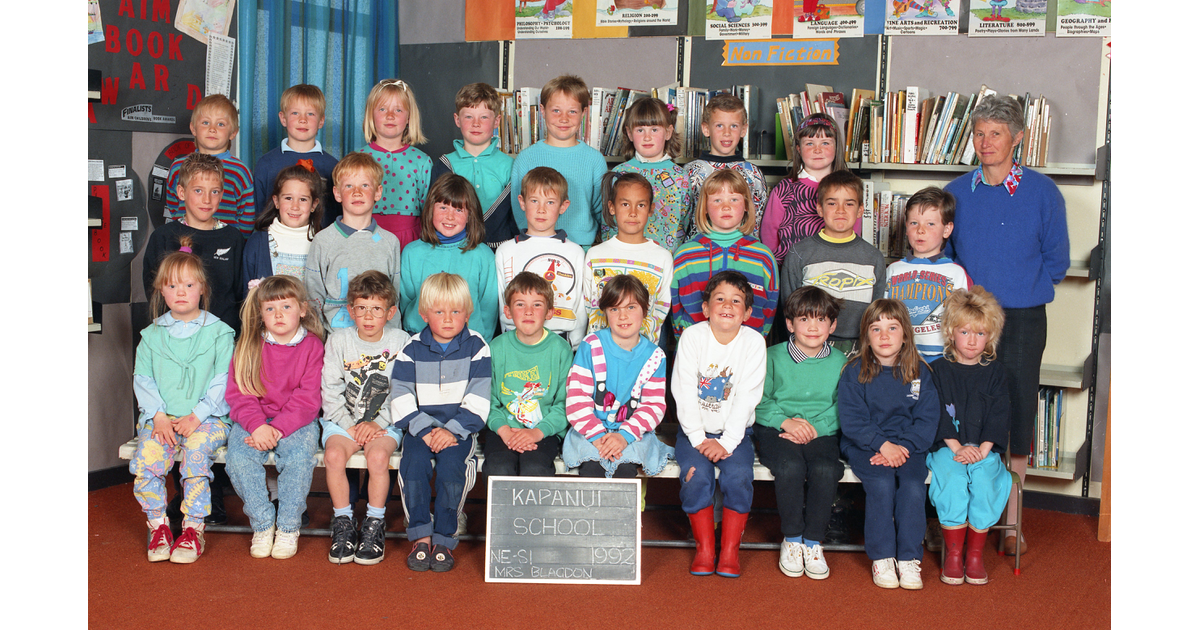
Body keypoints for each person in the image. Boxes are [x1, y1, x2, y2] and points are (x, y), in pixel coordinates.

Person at [944, 94, 1069, 556]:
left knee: (1015, 412)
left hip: (1020, 317)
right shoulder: (958, 191)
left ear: (1017, 138)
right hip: (967, 316)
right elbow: (949, 259)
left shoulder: (1043, 193)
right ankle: (967, 511)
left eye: (996, 133)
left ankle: (1011, 520)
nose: (985, 141)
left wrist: (1015, 292)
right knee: (964, 407)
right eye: (979, 133)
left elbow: (1055, 263)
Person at [131, 243, 234, 564]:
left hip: (209, 419)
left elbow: (223, 380)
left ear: (201, 289)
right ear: (162, 290)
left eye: (189, 285)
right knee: (147, 457)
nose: (180, 292)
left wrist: (197, 415)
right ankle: (158, 525)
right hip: (161, 418)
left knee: (195, 454)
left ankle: (193, 528)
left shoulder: (219, 332)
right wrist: (158, 416)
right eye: (172, 285)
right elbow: (143, 379)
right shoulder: (152, 335)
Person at [390, 273, 491, 573]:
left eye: (456, 312)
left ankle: (444, 538)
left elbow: (479, 398)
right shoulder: (411, 349)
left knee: (451, 473)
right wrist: (425, 429)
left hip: (459, 431)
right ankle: (420, 535)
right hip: (421, 430)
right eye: (439, 312)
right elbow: (401, 397)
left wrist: (452, 431)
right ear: (424, 314)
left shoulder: (478, 347)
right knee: (414, 469)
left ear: (468, 313)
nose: (448, 319)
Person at [838, 299, 939, 590]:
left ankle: (908, 558)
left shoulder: (920, 372)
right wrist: (882, 445)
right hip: (865, 445)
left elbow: (927, 420)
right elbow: (853, 421)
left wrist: (902, 447)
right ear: (866, 336)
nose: (884, 336)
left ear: (906, 334)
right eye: (876, 329)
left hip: (909, 447)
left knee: (911, 486)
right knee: (881, 484)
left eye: (892, 328)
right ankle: (882, 557)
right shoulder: (854, 372)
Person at [672, 271, 767, 578]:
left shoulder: (754, 343)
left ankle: (729, 550)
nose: (728, 305)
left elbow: (746, 398)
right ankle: (705, 548)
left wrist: (726, 443)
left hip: (734, 434)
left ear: (748, 312)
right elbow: (684, 391)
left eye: (737, 301)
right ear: (705, 308)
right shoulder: (692, 337)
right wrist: (699, 439)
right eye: (720, 299)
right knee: (696, 475)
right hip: (694, 432)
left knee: (739, 476)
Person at [224, 275, 326, 560]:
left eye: (286, 307)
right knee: (239, 459)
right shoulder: (248, 344)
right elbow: (239, 394)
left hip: (296, 422)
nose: (278, 314)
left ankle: (288, 527)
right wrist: (257, 427)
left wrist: (278, 429)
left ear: (302, 309)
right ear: (260, 313)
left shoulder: (312, 346)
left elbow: (308, 399)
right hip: (254, 422)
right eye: (270, 309)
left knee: (297, 459)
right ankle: (263, 523)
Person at [753, 286, 846, 579]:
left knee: (825, 469)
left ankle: (813, 541)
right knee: (790, 466)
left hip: (822, 431)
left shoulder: (841, 361)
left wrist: (815, 428)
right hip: (776, 428)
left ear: (833, 325)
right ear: (790, 324)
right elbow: (757, 400)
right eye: (805, 320)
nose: (813, 327)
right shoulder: (770, 357)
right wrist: (786, 422)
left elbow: (842, 406)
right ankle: (792, 539)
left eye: (821, 320)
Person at [320, 270, 410, 565]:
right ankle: (343, 522)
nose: (368, 317)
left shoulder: (401, 340)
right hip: (344, 420)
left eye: (376, 309)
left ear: (390, 312)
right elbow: (330, 390)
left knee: (378, 459)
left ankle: (374, 522)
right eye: (361, 308)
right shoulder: (338, 340)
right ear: (351, 310)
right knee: (333, 455)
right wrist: (349, 425)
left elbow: (404, 391)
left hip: (385, 421)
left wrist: (378, 423)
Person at [927, 286, 1012, 586]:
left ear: (990, 336)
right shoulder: (937, 370)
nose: (972, 341)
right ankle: (953, 554)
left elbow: (1000, 414)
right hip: (947, 447)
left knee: (987, 481)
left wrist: (985, 448)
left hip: (984, 449)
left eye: (980, 333)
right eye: (965, 332)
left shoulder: (996, 373)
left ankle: (974, 555)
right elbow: (934, 411)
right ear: (951, 333)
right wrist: (956, 446)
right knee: (952, 480)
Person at [563, 275, 672, 479]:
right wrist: (598, 437)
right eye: (615, 309)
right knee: (592, 469)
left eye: (631, 307)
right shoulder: (591, 346)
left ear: (645, 310)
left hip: (632, 433)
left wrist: (624, 436)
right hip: (590, 430)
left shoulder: (655, 356)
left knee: (625, 470)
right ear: (605, 313)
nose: (623, 316)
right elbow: (577, 399)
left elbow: (653, 406)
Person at [780, 169, 885, 353]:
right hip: (810, 345)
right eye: (832, 203)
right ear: (819, 208)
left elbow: (876, 313)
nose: (840, 211)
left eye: (849, 204)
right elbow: (788, 308)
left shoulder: (873, 257)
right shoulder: (799, 253)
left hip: (859, 348)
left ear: (861, 210)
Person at [144, 152, 246, 334]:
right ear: (181, 192)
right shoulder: (162, 237)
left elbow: (240, 296)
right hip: (175, 338)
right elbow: (155, 294)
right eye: (198, 190)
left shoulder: (233, 238)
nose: (207, 199)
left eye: (214, 192)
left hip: (222, 339)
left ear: (221, 194)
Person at [484, 272, 574, 477]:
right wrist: (504, 430)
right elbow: (487, 400)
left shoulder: (561, 350)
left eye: (537, 305)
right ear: (507, 311)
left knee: (535, 468)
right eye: (520, 304)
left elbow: (564, 404)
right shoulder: (496, 348)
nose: (528, 312)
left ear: (550, 312)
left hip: (544, 431)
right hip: (502, 430)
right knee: (498, 467)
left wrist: (536, 432)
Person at [671, 169, 778, 337]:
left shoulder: (762, 256)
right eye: (717, 200)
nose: (726, 206)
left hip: (745, 350)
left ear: (746, 206)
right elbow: (675, 307)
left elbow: (770, 306)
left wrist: (758, 337)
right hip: (696, 348)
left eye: (734, 199)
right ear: (704, 207)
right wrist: (683, 338)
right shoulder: (686, 255)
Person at [304, 152, 403, 334]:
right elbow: (313, 296)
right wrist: (319, 338)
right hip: (336, 339)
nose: (357, 192)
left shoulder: (390, 242)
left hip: (380, 344)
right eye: (349, 186)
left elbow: (394, 298)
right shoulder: (323, 240)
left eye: (365, 185)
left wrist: (394, 337)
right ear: (337, 193)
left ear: (378, 192)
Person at [494, 167, 587, 349]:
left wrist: (575, 343)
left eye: (550, 202)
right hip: (516, 339)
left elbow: (581, 302)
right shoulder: (506, 250)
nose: (541, 210)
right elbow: (501, 298)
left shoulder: (575, 251)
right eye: (534, 201)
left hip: (562, 339)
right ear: (522, 202)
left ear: (563, 206)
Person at [510, 74, 607, 248]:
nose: (564, 118)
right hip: (534, 244)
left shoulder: (594, 160)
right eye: (556, 110)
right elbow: (519, 208)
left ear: (584, 113)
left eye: (572, 111)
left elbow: (601, 210)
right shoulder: (525, 159)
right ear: (542, 110)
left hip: (581, 246)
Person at [400, 173, 499, 341]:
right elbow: (404, 303)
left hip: (469, 345)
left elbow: (489, 311)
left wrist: (482, 346)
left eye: (459, 209)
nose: (450, 216)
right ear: (430, 209)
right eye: (443, 207)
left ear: (470, 215)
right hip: (419, 343)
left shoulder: (483, 256)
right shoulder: (412, 253)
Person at [584, 171, 673, 343]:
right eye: (625, 204)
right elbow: (589, 304)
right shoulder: (595, 255)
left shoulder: (662, 257)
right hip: (600, 350)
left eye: (640, 205)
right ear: (612, 207)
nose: (633, 212)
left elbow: (661, 308)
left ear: (651, 209)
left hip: (642, 352)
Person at [885, 186, 972, 361]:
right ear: (906, 226)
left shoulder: (956, 273)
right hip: (900, 355)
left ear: (947, 230)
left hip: (941, 358)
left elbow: (967, 322)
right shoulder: (893, 270)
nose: (920, 230)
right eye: (914, 223)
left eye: (930, 224)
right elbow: (882, 316)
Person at [429, 82, 520, 248]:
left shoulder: (512, 166)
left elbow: (516, 219)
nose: (476, 123)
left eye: (484, 117)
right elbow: (432, 214)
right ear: (457, 120)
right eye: (469, 116)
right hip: (454, 249)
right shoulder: (444, 165)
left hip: (499, 251)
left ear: (496, 121)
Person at [606, 97, 691, 252]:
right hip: (623, 257)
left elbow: (685, 223)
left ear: (668, 132)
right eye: (640, 130)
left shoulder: (681, 177)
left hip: (666, 259)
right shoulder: (618, 174)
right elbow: (608, 223)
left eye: (654, 129)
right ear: (629, 133)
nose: (647, 137)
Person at [761, 112, 849, 261]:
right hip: (791, 271)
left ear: (837, 147)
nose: (817, 149)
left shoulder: (847, 189)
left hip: (834, 269)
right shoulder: (784, 190)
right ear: (798, 149)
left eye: (825, 143)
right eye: (809, 143)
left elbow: (854, 230)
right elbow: (769, 233)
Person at [164, 94, 255, 235]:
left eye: (220, 124)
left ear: (233, 133)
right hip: (186, 242)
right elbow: (173, 204)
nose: (212, 129)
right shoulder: (178, 167)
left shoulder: (240, 171)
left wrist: (238, 242)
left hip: (226, 246)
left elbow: (247, 214)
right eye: (206, 122)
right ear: (193, 128)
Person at [252, 84, 339, 226]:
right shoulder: (266, 164)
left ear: (321, 121)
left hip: (320, 243)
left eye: (310, 114)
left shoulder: (333, 167)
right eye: (295, 113)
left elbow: (337, 214)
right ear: (283, 118)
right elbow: (258, 212)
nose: (302, 119)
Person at [359, 78, 432, 247]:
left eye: (398, 110)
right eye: (382, 109)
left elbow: (427, 210)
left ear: (408, 117)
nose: (390, 116)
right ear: (371, 114)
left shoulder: (421, 161)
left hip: (409, 239)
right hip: (365, 237)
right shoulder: (357, 158)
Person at [684, 93, 768, 240]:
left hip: (741, 252)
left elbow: (758, 221)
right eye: (719, 125)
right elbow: (682, 219)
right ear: (706, 129)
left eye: (734, 126)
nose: (727, 133)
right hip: (699, 253)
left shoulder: (753, 174)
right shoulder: (690, 172)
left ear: (743, 130)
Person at [243, 163, 324, 290]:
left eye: (303, 199)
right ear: (276, 201)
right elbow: (246, 300)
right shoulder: (257, 243)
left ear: (314, 204)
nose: (295, 206)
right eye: (288, 198)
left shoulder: (324, 244)